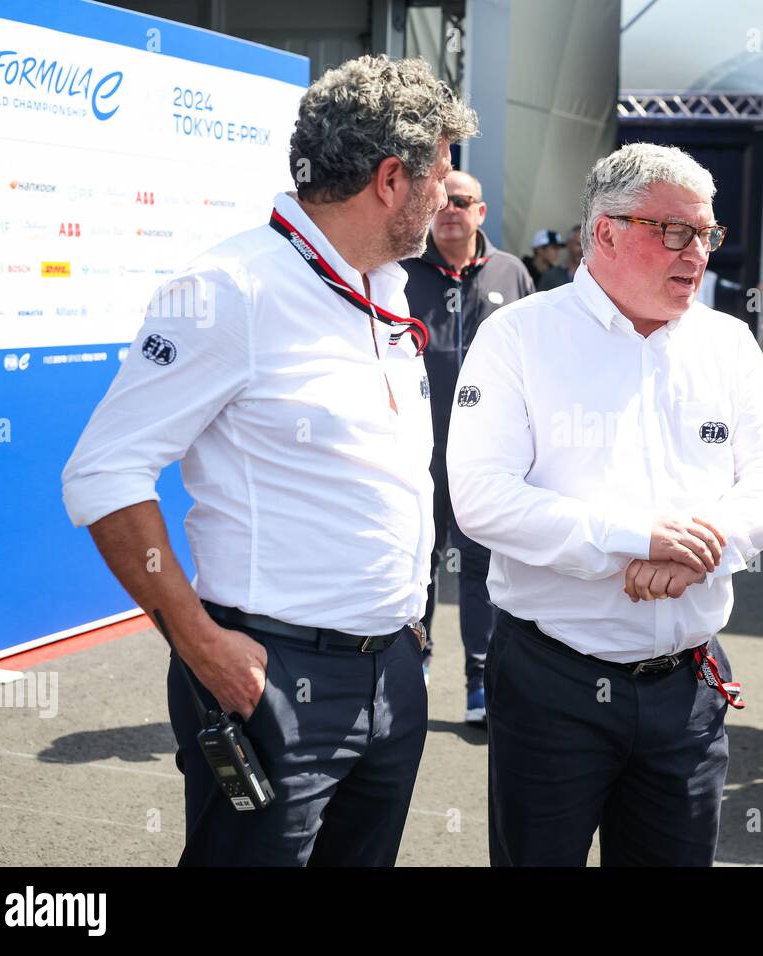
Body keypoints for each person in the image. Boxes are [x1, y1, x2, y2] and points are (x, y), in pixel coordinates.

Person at [61, 56, 478, 866]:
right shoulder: (228, 289)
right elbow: (104, 472)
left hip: (391, 671)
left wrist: (409, 641)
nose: (448, 191)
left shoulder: (385, 286)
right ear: (392, 178)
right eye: (441, 170)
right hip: (268, 675)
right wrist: (198, 643)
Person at [447, 143, 763, 866]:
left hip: (687, 691)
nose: (696, 252)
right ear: (604, 232)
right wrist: (634, 538)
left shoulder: (727, 343)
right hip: (554, 685)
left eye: (707, 234)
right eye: (674, 231)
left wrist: (699, 550)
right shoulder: (518, 335)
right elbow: (481, 499)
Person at [401, 171, 534, 724]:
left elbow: (536, 361)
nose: (451, 210)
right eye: (443, 202)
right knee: (417, 565)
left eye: (463, 201)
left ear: (481, 211)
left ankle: (480, 682)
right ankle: (413, 669)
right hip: (415, 451)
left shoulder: (512, 273)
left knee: (481, 567)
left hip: (487, 456)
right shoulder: (399, 273)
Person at [536, 224, 582, 291]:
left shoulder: (592, 280)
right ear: (568, 244)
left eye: (558, 248)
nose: (583, 250)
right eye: (579, 244)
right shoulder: (551, 276)